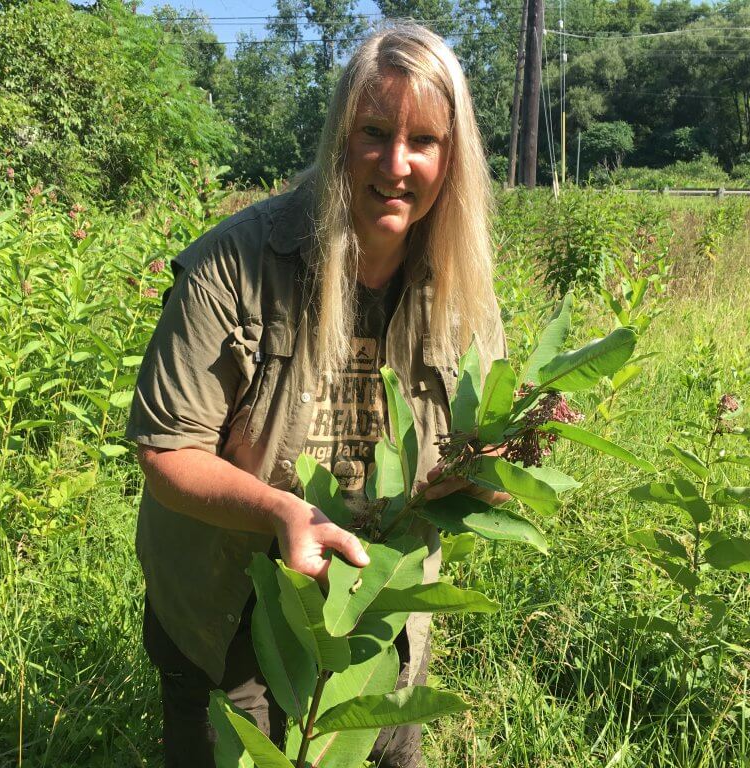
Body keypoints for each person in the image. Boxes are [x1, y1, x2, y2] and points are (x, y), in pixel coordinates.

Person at [126, 22, 504, 768]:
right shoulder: (235, 264)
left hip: (377, 603)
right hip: (231, 604)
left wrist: (492, 472)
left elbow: (473, 455)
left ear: (451, 157)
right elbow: (166, 452)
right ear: (339, 138)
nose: (396, 164)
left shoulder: (463, 289)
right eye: (375, 133)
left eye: (423, 141)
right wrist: (285, 512)